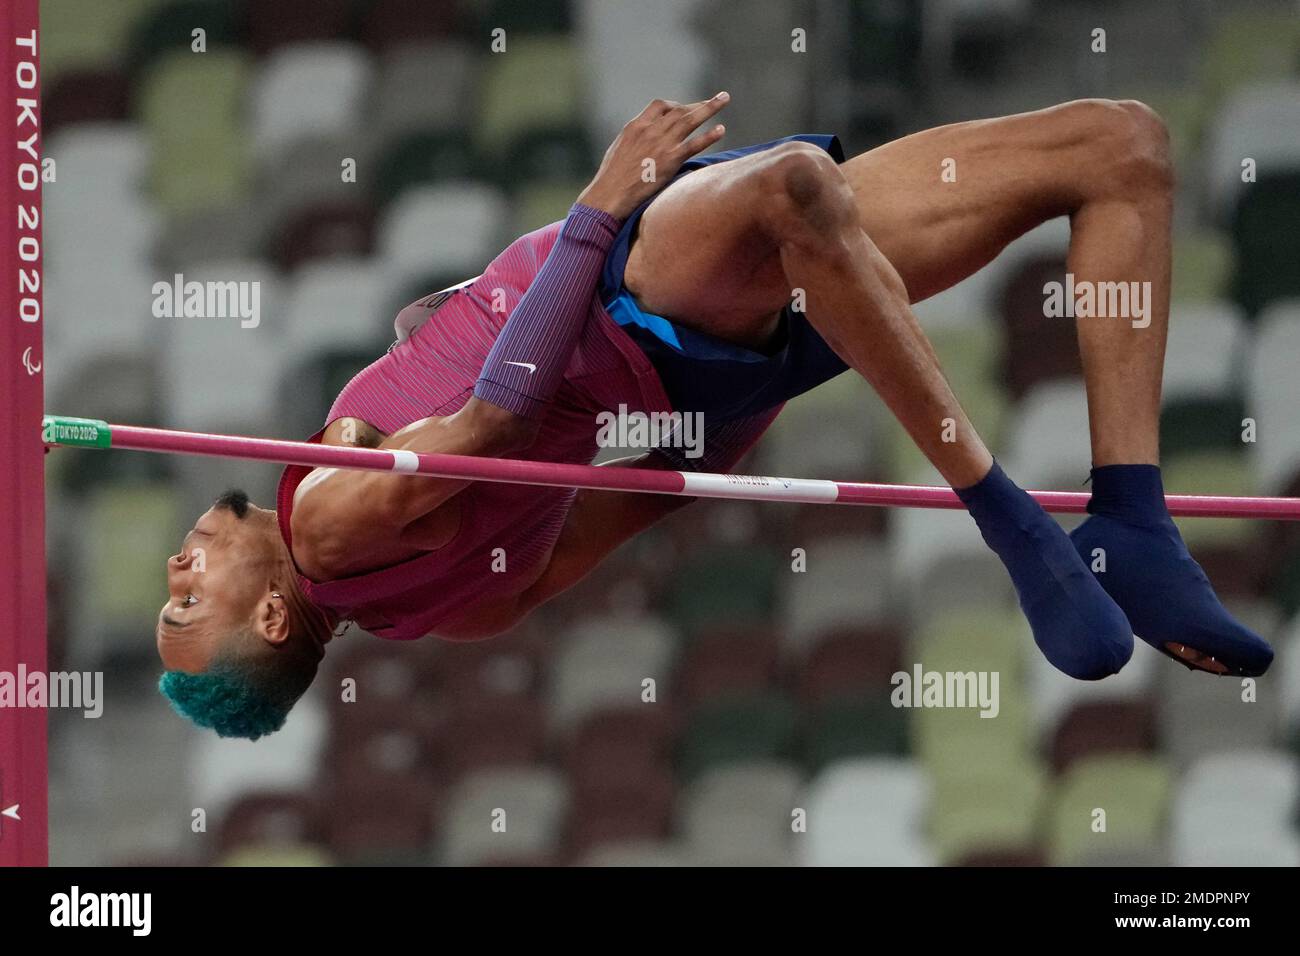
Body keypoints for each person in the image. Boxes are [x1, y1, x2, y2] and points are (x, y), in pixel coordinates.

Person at [157, 93, 1273, 739]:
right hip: (640, 299)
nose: (178, 564)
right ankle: (1012, 519)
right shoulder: (321, 527)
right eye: (187, 598)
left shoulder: (456, 615)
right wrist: (598, 208)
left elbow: (654, 491)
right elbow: (500, 424)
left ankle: (1133, 516)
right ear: (273, 620)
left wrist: (757, 381)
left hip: (713, 355)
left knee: (1117, 148)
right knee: (790, 185)